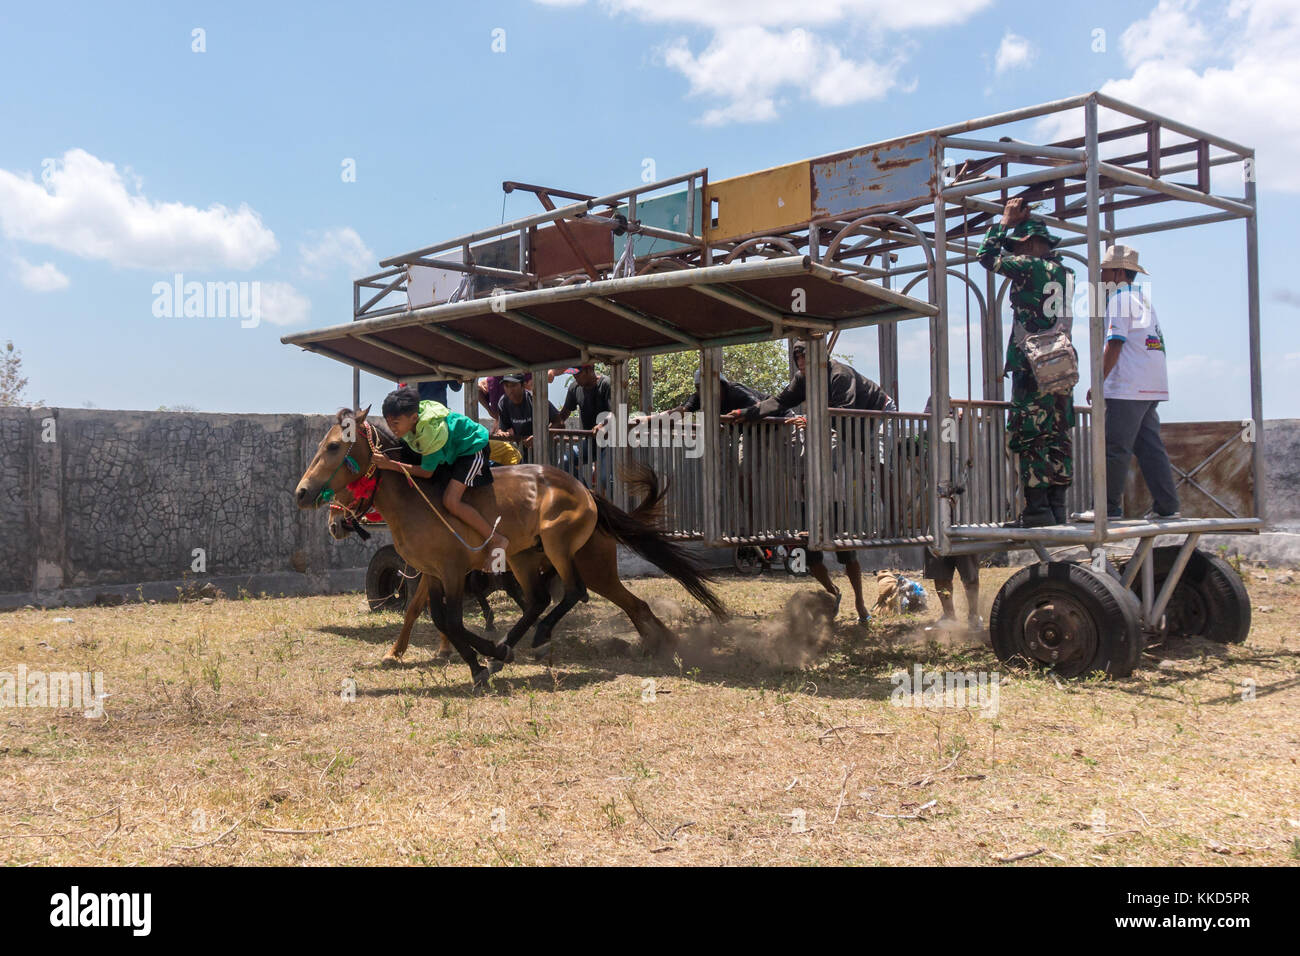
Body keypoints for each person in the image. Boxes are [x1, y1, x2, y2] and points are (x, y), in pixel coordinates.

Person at [725, 342, 896, 626]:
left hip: (872, 418)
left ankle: (862, 597)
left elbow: (845, 412)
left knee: (876, 469)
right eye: (798, 362)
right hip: (815, 492)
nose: (802, 367)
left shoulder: (840, 375)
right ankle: (833, 591)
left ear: (821, 361)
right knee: (811, 554)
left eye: (807, 362)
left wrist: (814, 420)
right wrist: (745, 414)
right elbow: (778, 402)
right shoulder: (802, 379)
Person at [977, 197, 1076, 526]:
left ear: (1032, 244)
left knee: (1029, 435)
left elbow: (987, 257)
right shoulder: (1066, 272)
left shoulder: (1028, 266)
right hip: (1061, 364)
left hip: (1031, 364)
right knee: (1058, 433)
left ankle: (1036, 510)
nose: (1016, 251)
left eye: (1021, 244)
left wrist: (1004, 222)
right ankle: (1056, 508)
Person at [1075, 244, 1180, 522]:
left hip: (1128, 386)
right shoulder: (1141, 299)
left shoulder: (1119, 299)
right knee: (1149, 447)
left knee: (1114, 447)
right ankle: (1167, 506)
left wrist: (1098, 382)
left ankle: (1106, 508)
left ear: (1118, 272)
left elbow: (1115, 344)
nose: (1100, 276)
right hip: (1151, 384)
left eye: (1104, 270)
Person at [372, 385, 507, 569]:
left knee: (451, 501)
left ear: (413, 418)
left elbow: (427, 472)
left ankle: (497, 540)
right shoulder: (411, 420)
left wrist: (391, 465)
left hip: (472, 449)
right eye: (388, 423)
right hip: (453, 451)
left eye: (395, 423)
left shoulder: (429, 432)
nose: (392, 428)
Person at [557, 365, 613, 491]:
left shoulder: (606, 384)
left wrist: (603, 424)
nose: (574, 376)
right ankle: (587, 495)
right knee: (564, 461)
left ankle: (617, 508)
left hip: (609, 442)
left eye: (577, 373)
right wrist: (548, 428)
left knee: (606, 478)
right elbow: (564, 414)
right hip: (590, 442)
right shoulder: (574, 387)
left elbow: (614, 412)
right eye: (573, 374)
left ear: (589, 370)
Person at [494, 373, 563, 463]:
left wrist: (539, 436)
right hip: (523, 452)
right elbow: (502, 429)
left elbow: (560, 423)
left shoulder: (535, 400)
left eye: (514, 385)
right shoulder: (503, 403)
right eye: (506, 386)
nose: (510, 390)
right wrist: (501, 433)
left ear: (523, 385)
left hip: (545, 451)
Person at [922, 550, 983, 634]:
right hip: (938, 539)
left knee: (970, 578)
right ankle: (949, 616)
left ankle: (974, 617)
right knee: (941, 578)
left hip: (964, 540)